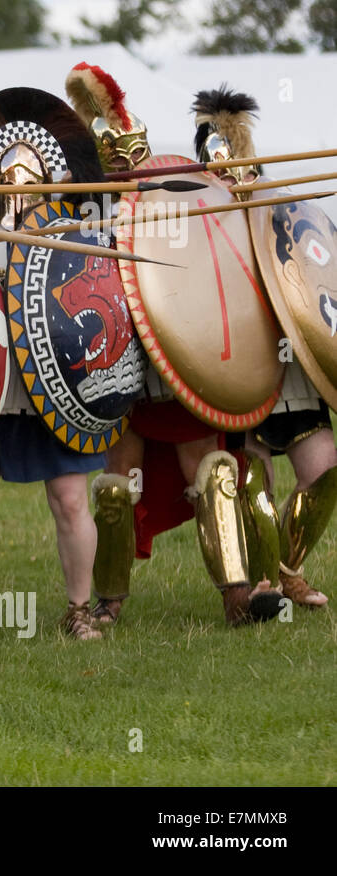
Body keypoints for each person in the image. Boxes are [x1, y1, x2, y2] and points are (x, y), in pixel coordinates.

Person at [64, 64, 284, 626]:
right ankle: (109, 602)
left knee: (212, 472)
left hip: (182, 359)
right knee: (117, 488)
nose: (121, 171)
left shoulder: (172, 205)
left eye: (126, 162)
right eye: (111, 165)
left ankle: (236, 594)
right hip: (119, 364)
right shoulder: (84, 219)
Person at [0, 86, 108, 640]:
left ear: (53, 181)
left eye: (30, 180)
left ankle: (80, 609)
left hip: (57, 383)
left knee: (68, 501)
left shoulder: (77, 241)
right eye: (8, 180)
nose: (19, 189)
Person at [192, 87, 331, 609]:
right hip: (239, 357)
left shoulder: (282, 199)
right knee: (252, 476)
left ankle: (288, 566)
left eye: (233, 149)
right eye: (216, 152)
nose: (226, 162)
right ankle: (263, 583)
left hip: (293, 357)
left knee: (324, 469)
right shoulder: (193, 214)